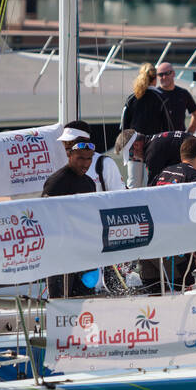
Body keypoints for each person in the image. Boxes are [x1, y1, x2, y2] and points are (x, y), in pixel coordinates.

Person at [139, 138, 196, 292]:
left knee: (153, 296)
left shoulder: (164, 171)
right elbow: (195, 219)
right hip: (173, 249)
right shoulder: (195, 178)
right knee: (181, 292)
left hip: (148, 246)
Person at [120, 63, 196, 187]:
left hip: (134, 147)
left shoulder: (132, 98)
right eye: (160, 75)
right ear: (155, 79)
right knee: (152, 183)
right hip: (154, 148)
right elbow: (167, 126)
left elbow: (124, 126)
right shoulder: (160, 97)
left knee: (132, 184)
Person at [42, 134, 97, 298]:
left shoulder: (89, 183)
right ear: (69, 155)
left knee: (87, 302)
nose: (85, 163)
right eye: (80, 158)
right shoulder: (56, 182)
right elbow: (45, 218)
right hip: (60, 255)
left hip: (83, 254)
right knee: (60, 303)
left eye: (89, 159)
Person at [119, 128, 196, 184]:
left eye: (131, 155)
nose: (134, 159)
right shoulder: (155, 142)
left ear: (137, 145)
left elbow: (153, 189)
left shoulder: (152, 153)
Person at [60, 121, 123, 192]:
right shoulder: (61, 162)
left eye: (70, 142)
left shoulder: (105, 163)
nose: (66, 146)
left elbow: (118, 194)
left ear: (85, 139)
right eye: (64, 142)